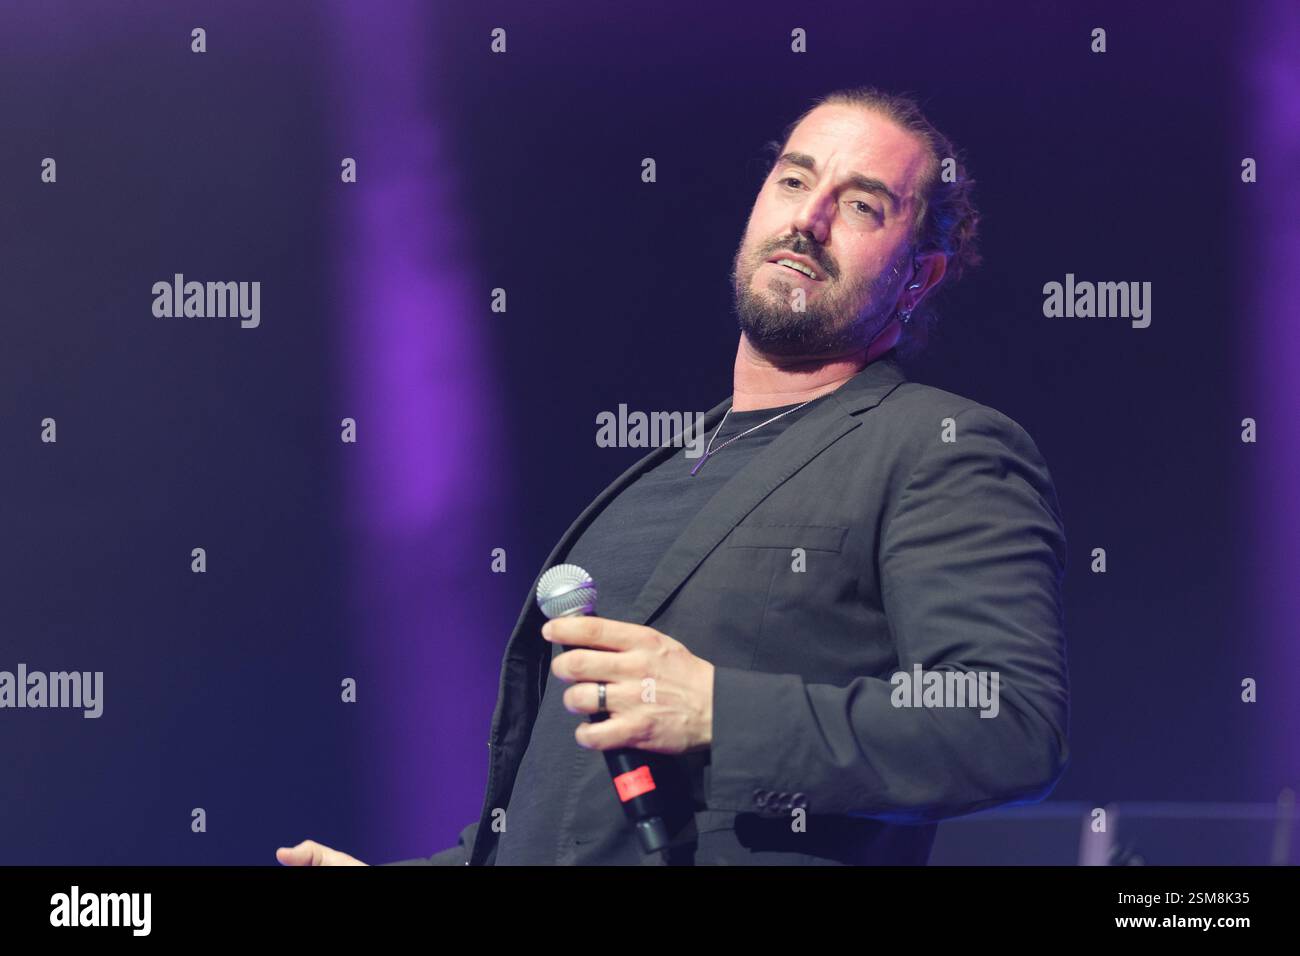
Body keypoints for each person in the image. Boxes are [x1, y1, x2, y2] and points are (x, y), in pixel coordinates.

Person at [277, 86, 1069, 867]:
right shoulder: (652, 483)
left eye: (861, 205)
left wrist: (719, 710)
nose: (809, 218)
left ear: (918, 277)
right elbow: (571, 818)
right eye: (794, 180)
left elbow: (1007, 726)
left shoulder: (937, 445)